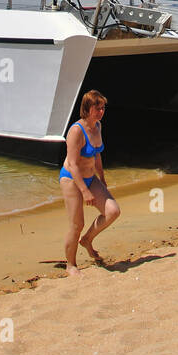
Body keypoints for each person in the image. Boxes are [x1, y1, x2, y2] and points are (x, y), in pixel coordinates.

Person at [59, 90, 121, 275]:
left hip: (90, 177)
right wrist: (85, 190)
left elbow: (96, 155)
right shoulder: (76, 131)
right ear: (86, 109)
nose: (101, 112)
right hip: (71, 179)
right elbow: (72, 164)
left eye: (103, 108)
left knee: (113, 211)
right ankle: (71, 265)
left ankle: (87, 240)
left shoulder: (98, 126)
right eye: (97, 108)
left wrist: (101, 177)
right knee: (77, 224)